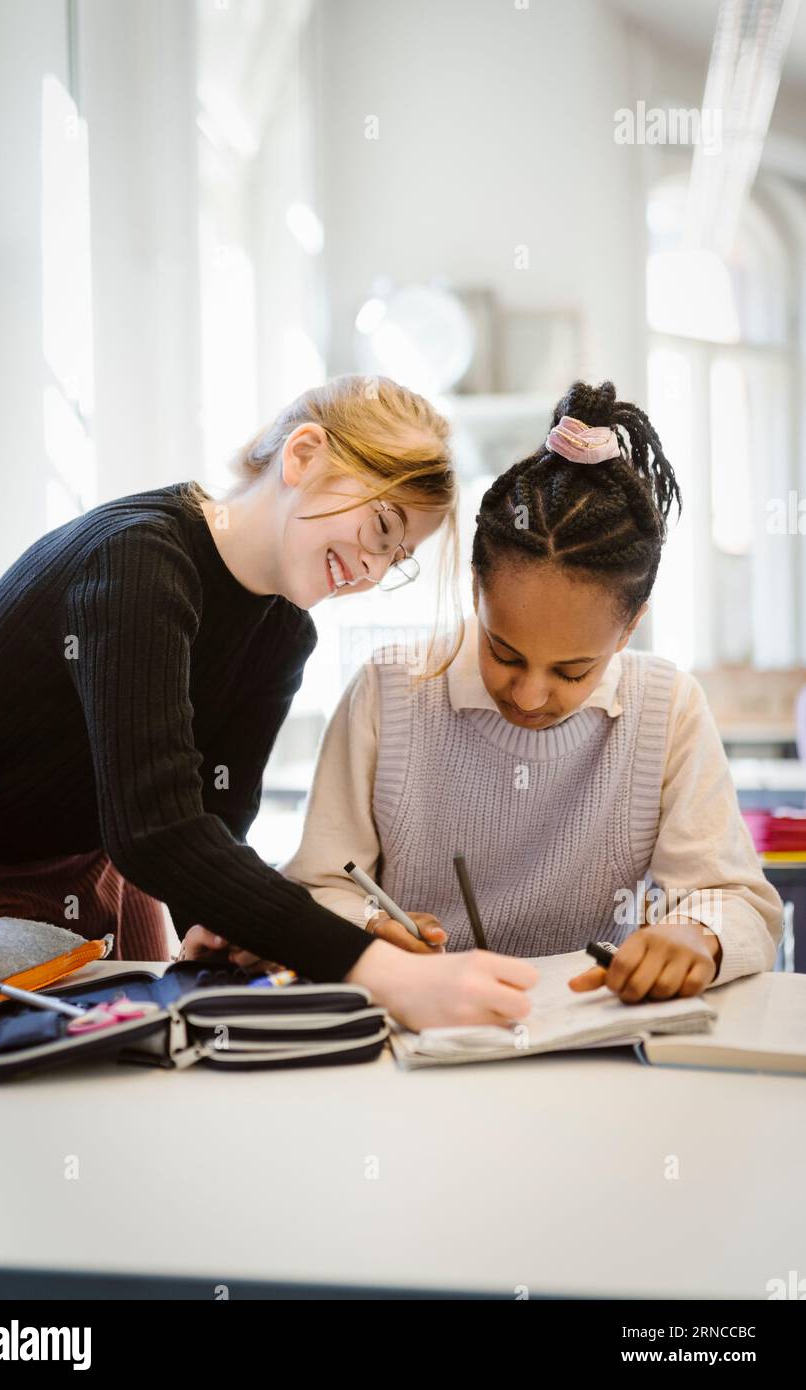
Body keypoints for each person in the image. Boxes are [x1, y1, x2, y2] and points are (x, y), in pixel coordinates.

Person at [0, 374, 536, 1033]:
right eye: (381, 527)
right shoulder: (138, 562)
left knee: (144, 1062)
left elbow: (215, 821)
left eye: (397, 559)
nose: (371, 572)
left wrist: (216, 926)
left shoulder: (284, 632)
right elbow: (158, 832)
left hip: (97, 865)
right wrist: (385, 971)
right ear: (303, 454)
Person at [281, 380, 783, 1004]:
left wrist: (696, 934)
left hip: (595, 1035)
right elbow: (317, 885)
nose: (530, 695)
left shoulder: (667, 706)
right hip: (425, 1033)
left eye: (573, 671)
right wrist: (365, 926)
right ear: (474, 590)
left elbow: (740, 903)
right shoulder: (391, 690)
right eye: (504, 652)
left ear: (630, 626)